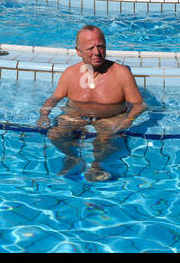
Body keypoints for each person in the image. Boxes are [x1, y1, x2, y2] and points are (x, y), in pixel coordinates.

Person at [37, 25, 146, 182]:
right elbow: (54, 98)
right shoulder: (70, 74)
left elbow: (139, 105)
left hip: (110, 116)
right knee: (54, 134)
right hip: (76, 115)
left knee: (106, 137)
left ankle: (96, 165)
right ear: (78, 51)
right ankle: (72, 157)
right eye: (90, 48)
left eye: (100, 46)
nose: (97, 52)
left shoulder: (121, 73)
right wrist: (44, 114)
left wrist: (127, 120)